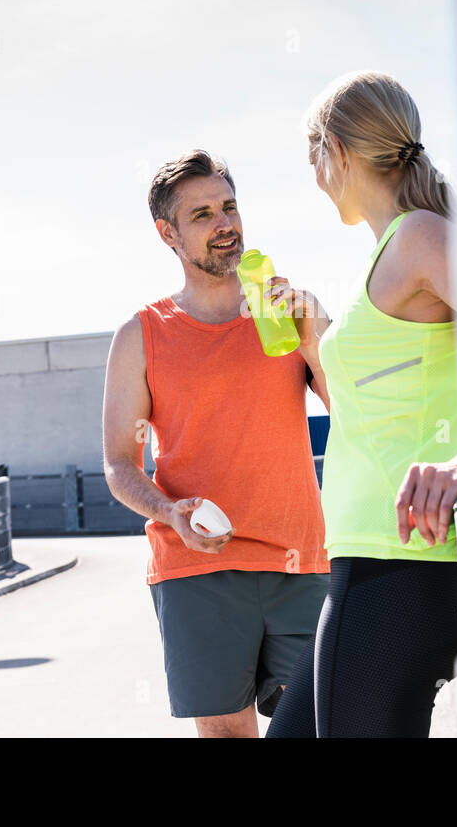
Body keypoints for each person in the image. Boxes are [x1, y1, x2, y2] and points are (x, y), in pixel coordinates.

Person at [266, 72, 457, 738]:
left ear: (338, 152)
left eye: (313, 159)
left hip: (400, 563)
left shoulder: (421, 237)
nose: (315, 178)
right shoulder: (397, 250)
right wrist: (317, 331)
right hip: (373, 562)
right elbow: (382, 401)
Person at [102, 149, 332, 738]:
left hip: (299, 561)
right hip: (196, 566)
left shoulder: (284, 315)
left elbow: (355, 414)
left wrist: (315, 342)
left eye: (229, 207)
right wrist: (164, 511)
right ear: (168, 233)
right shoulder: (141, 336)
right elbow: (119, 464)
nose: (224, 224)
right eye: (202, 214)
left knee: (312, 725)